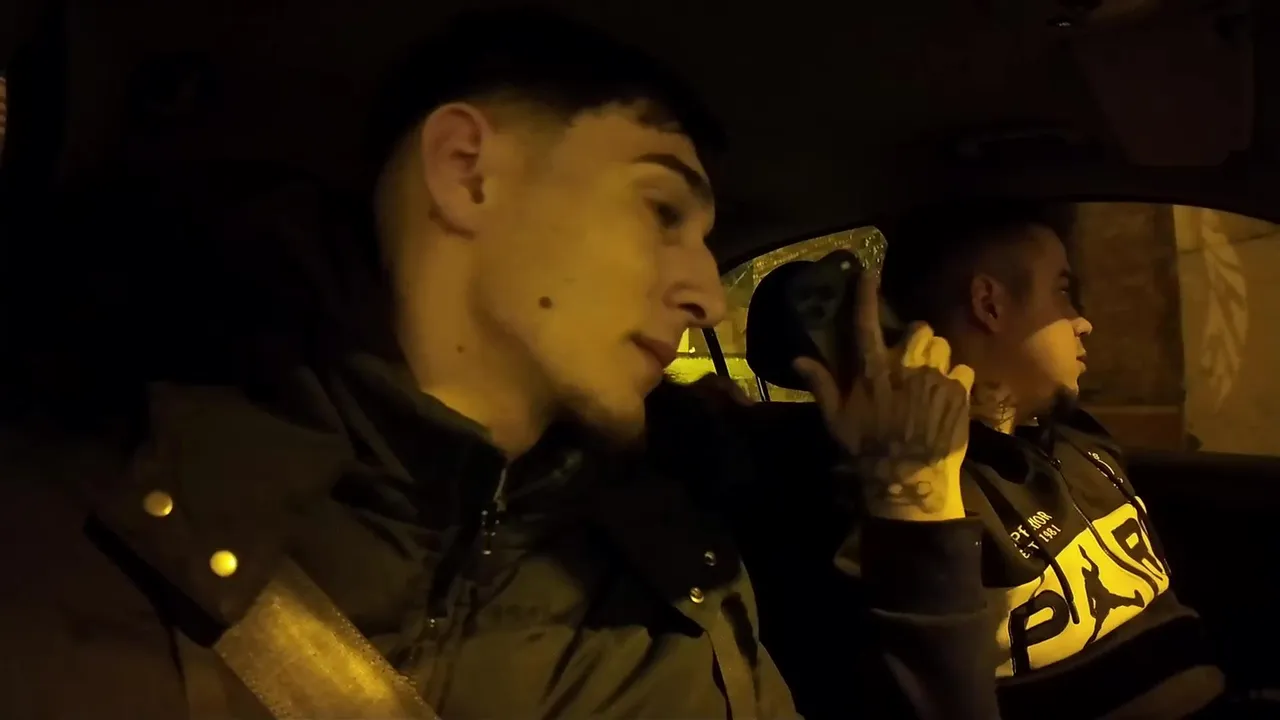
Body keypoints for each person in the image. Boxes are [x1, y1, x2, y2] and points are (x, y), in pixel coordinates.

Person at [0, 8, 997, 720]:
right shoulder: (86, 554)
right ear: (466, 173)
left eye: (707, 240)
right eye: (661, 210)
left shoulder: (684, 500)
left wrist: (908, 495)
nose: (703, 292)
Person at [872, 202, 1226, 718]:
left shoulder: (1077, 437)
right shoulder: (922, 495)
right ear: (990, 304)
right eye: (1062, 291)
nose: (1083, 322)